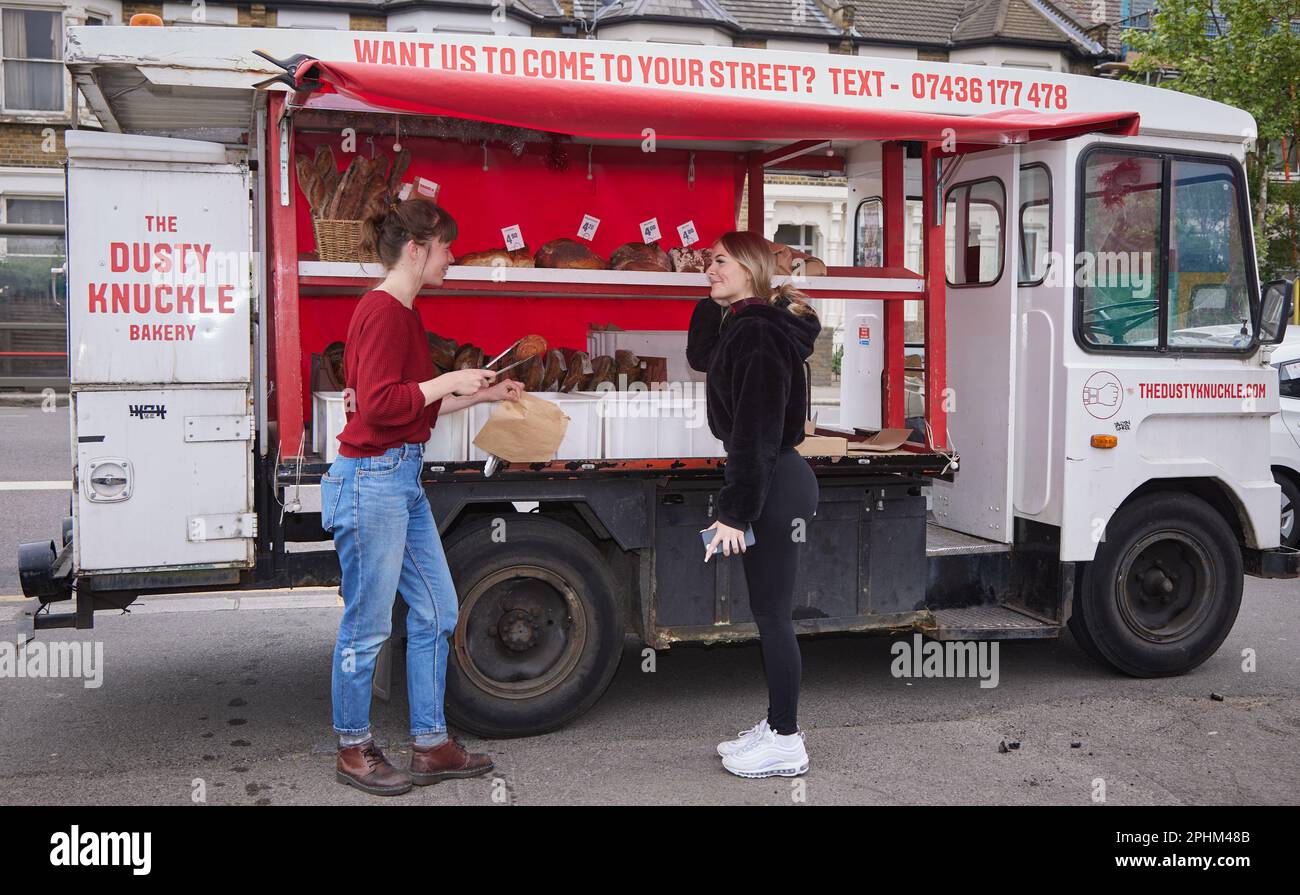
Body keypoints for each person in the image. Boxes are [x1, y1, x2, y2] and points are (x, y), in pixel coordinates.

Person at [321, 194, 524, 796]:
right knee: (366, 624)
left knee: (438, 610)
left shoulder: (402, 313)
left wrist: (480, 393)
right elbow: (382, 403)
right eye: (445, 248)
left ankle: (431, 744)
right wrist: (450, 378)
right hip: (374, 479)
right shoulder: (383, 312)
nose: (452, 257)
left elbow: (414, 404)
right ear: (417, 249)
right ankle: (352, 749)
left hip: (398, 478)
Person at [686, 230, 821, 779]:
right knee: (768, 613)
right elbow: (700, 356)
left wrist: (734, 511)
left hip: (772, 480)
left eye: (719, 262)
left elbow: (757, 432)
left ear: (748, 267)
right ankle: (776, 724)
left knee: (772, 616)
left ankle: (786, 741)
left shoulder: (758, 331)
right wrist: (716, 293)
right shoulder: (746, 323)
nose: (707, 269)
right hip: (774, 477)